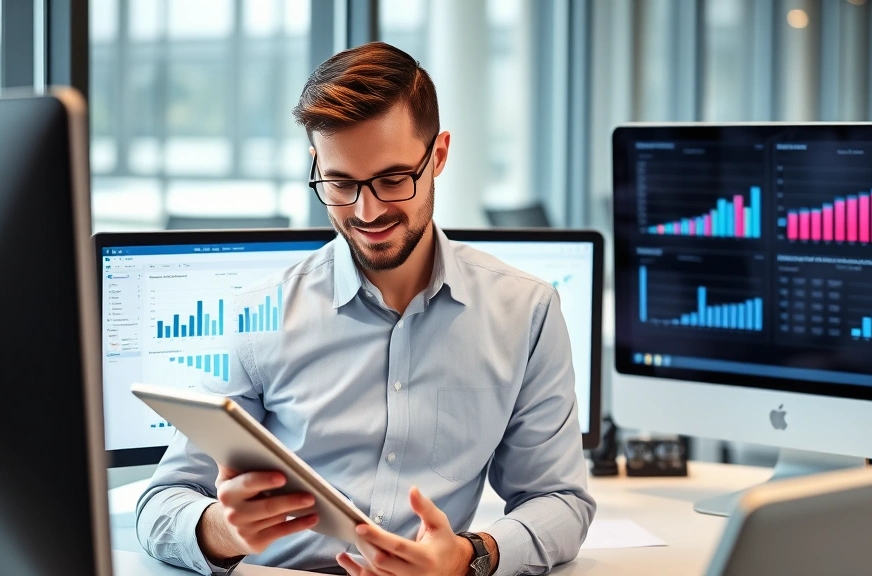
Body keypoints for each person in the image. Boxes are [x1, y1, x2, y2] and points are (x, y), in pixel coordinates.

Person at [136, 41, 595, 576]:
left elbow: (560, 501)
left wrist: (468, 557)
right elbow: (160, 504)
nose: (367, 211)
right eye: (341, 183)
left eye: (392, 180)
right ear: (316, 165)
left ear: (438, 156)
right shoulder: (255, 314)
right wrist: (223, 530)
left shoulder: (526, 312)